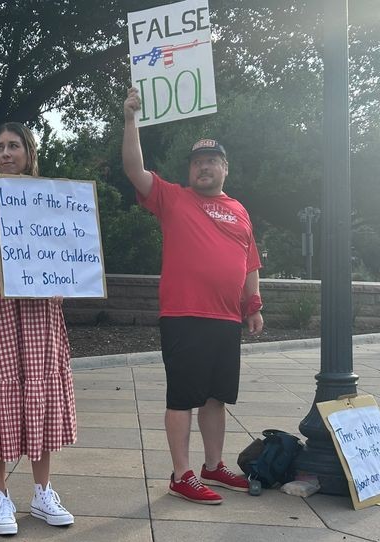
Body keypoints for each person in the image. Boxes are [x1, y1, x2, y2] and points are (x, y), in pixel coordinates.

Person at [121, 88, 264, 505]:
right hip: (184, 314)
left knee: (217, 396)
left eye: (211, 161)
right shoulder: (172, 197)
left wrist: (252, 305)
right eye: (198, 162)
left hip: (225, 319)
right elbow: (134, 169)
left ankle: (213, 466)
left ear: (224, 168)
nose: (204, 167)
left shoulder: (239, 210)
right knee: (183, 396)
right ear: (190, 171)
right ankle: (181, 474)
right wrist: (131, 119)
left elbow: (250, 262)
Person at [0, 122, 77, 536]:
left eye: (14, 145)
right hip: (2, 311)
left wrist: (67, 280)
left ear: (29, 152)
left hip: (41, 313)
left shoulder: (50, 199)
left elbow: (70, 257)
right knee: (0, 397)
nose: (5, 153)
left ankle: (42, 491)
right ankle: (0, 494)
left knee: (40, 398)